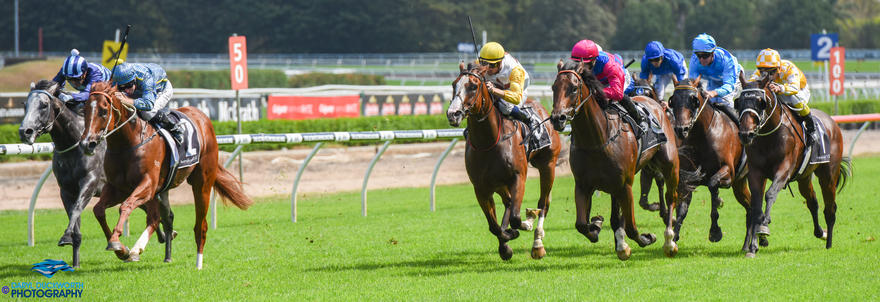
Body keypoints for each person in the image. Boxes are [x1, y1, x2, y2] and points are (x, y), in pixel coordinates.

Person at [750, 48, 817, 146]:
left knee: (794, 99)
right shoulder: (759, 71)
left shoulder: (788, 68)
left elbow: (795, 88)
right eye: (763, 72)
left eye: (771, 72)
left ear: (778, 69)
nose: (767, 76)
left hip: (798, 90)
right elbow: (750, 84)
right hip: (778, 89)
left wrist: (780, 88)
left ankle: (811, 127)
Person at [570, 39, 641, 124]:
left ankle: (640, 121)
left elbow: (617, 93)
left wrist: (596, 92)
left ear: (594, 60)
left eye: (584, 63)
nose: (580, 66)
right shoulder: (583, 65)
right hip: (601, 81)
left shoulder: (609, 65)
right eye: (577, 62)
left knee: (619, 98)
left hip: (620, 79)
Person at [110, 63, 184, 143]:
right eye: (122, 88)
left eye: (129, 85)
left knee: (147, 113)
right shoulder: (116, 78)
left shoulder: (146, 77)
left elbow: (149, 104)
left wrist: (128, 101)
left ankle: (174, 127)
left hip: (160, 90)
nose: (127, 90)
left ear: (134, 79)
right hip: (140, 91)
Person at [479, 42, 541, 130]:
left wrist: (494, 90)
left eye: (492, 65)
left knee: (505, 107)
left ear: (500, 62)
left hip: (517, 90)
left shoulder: (515, 70)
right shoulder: (484, 61)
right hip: (496, 86)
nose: (487, 68)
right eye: (484, 63)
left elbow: (516, 98)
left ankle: (528, 118)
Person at [688, 33, 743, 125]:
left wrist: (713, 93)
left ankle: (740, 128)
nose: (701, 59)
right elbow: (692, 83)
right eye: (698, 55)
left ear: (713, 53)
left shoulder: (727, 60)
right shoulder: (694, 60)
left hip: (731, 79)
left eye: (705, 56)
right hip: (713, 79)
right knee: (709, 103)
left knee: (723, 101)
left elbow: (729, 86)